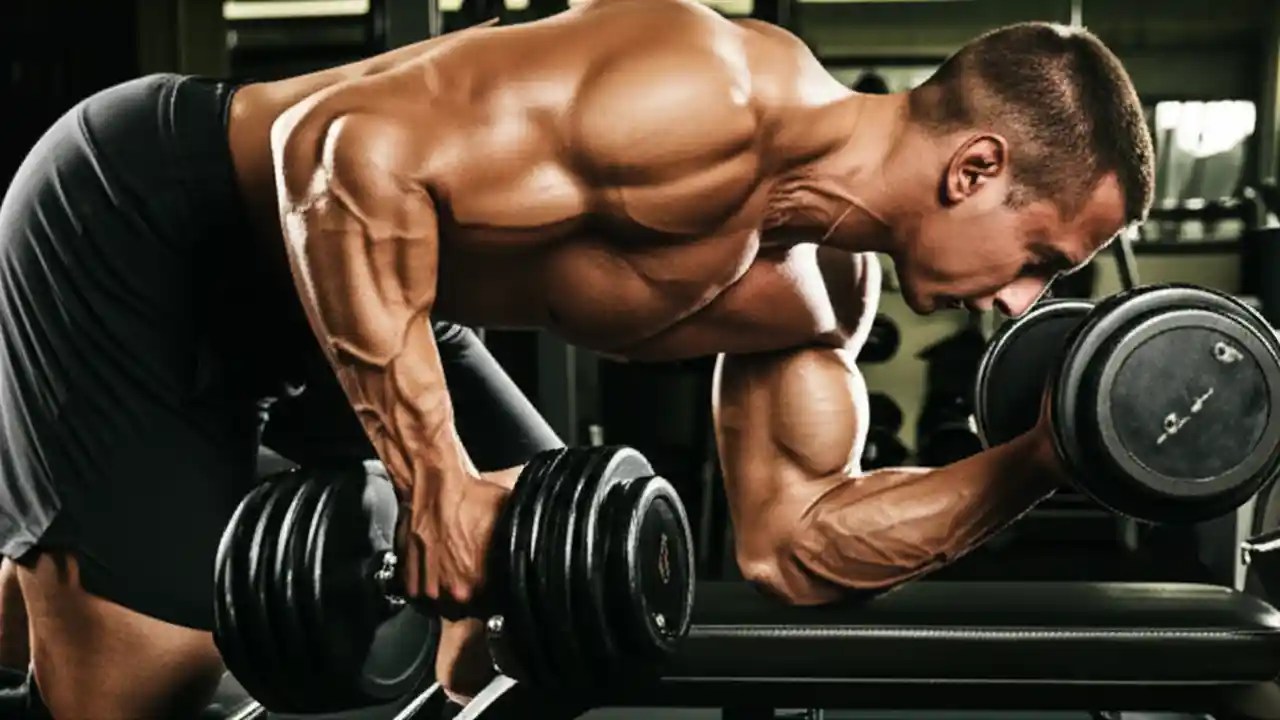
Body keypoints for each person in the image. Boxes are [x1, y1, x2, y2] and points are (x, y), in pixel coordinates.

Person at [0, 0, 1153, 716]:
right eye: (1039, 255)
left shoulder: (815, 297)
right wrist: (435, 484)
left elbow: (794, 550)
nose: (1022, 299)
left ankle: (46, 559)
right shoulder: (710, 93)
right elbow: (339, 160)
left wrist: (1042, 456)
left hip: (376, 285)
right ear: (973, 169)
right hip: (165, 215)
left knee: (566, 579)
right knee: (140, 689)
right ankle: (65, 563)